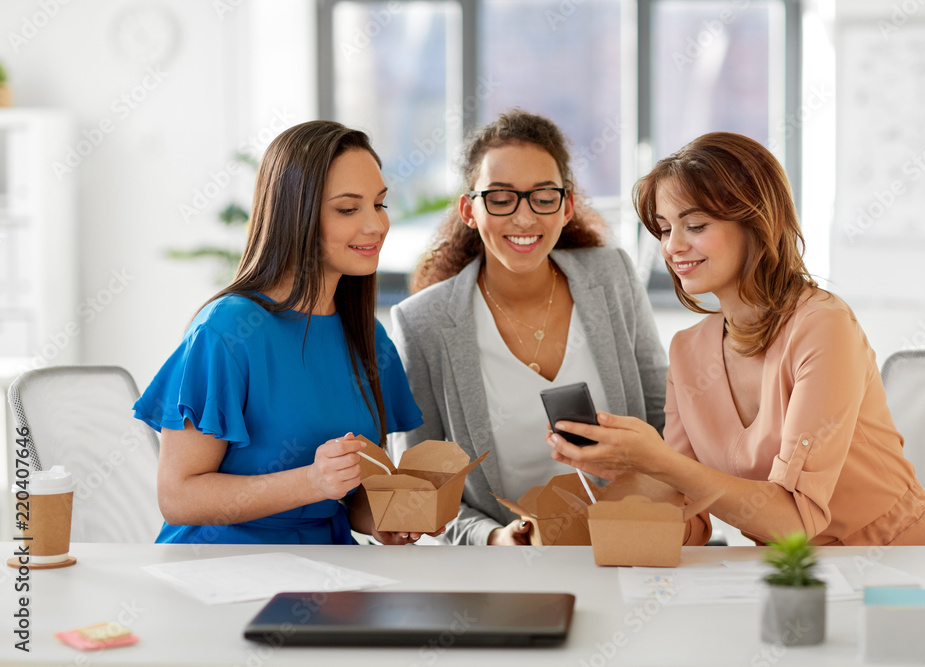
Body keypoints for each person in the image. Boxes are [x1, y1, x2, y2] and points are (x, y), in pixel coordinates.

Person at [547, 131, 925, 547]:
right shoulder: (688, 352)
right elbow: (690, 517)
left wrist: (661, 461)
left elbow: (796, 515)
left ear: (756, 223)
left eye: (695, 225)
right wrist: (630, 478)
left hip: (898, 559)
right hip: (788, 572)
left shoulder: (822, 325)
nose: (672, 246)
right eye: (664, 228)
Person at [133, 120, 429, 546]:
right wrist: (311, 480)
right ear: (296, 216)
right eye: (348, 209)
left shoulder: (367, 337)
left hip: (327, 568)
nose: (376, 226)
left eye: (379, 205)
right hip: (220, 568)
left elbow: (353, 498)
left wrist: (392, 519)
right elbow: (178, 496)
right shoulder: (228, 331)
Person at [390, 110, 668, 546]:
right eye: (500, 198)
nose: (523, 219)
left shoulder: (611, 277)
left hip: (628, 546)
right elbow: (420, 491)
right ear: (469, 209)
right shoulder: (423, 322)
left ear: (566, 206)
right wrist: (492, 538)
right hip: (506, 569)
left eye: (543, 197)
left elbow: (665, 419)